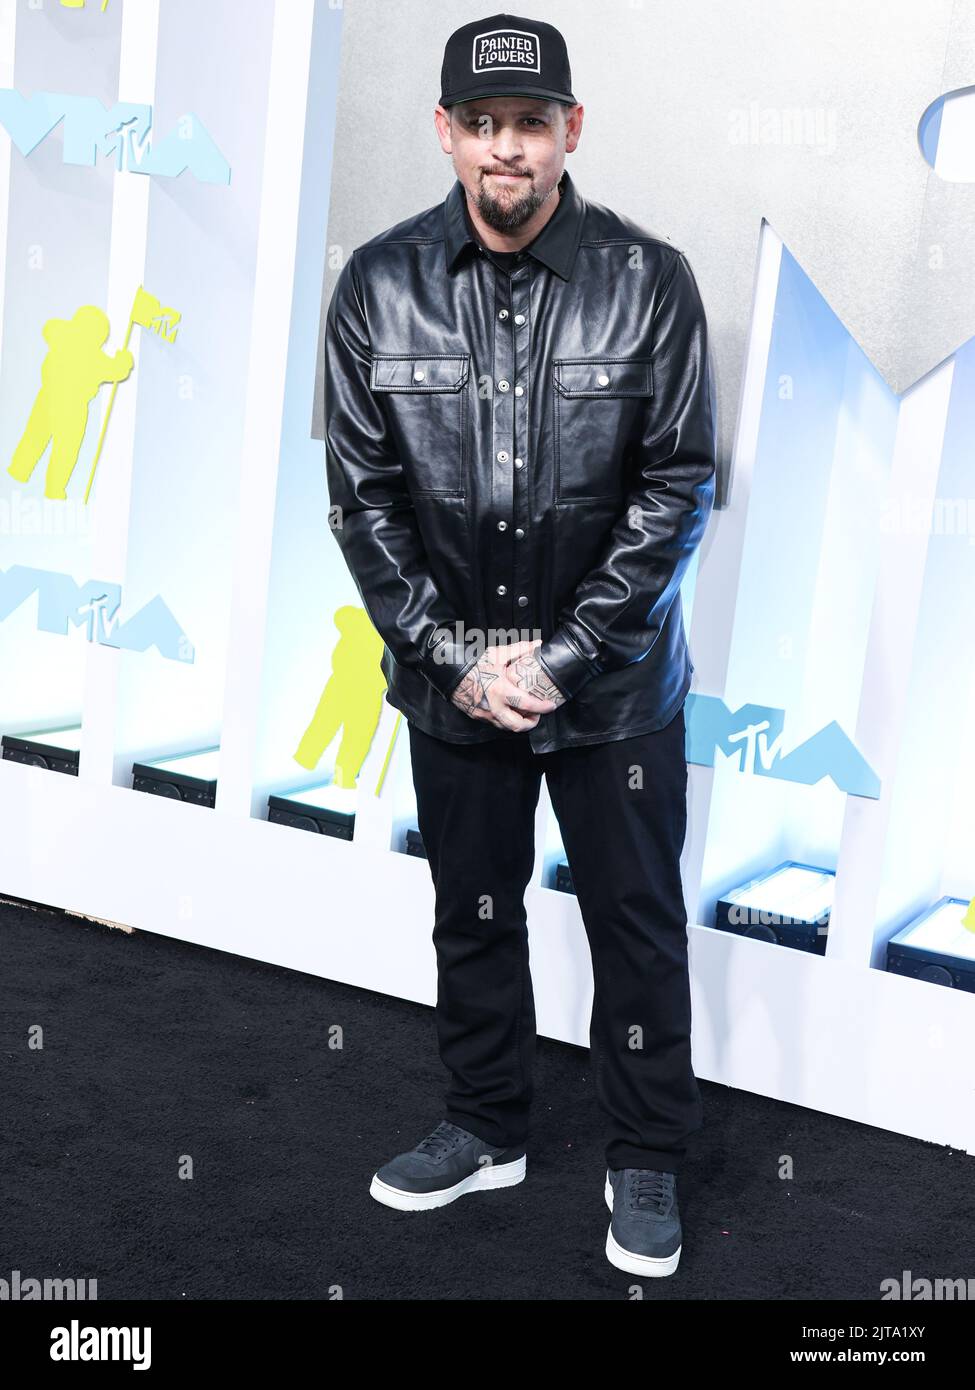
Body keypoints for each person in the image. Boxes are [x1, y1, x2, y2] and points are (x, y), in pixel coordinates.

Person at [323, 10, 716, 1278]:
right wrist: (457, 657)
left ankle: (646, 1155)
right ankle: (485, 1123)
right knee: (473, 914)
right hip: (456, 689)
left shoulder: (650, 280)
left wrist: (560, 656)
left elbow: (675, 491)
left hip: (611, 697)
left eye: (531, 124)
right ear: (446, 132)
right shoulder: (376, 286)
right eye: (482, 125)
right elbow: (363, 500)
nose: (508, 151)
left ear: (571, 131)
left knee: (636, 926)